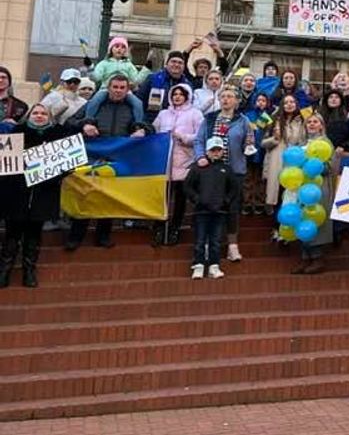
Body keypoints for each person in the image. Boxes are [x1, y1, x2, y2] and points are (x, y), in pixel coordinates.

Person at [66, 74, 148, 250]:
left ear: (127, 90)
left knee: (109, 197)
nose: (118, 91)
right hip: (92, 157)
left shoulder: (132, 109)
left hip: (116, 158)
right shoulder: (94, 105)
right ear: (108, 88)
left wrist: (143, 131)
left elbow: (148, 126)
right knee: (85, 195)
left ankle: (103, 236)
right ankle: (76, 236)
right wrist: (84, 125)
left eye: (122, 88)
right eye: (115, 87)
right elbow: (70, 122)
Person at [0, 105, 76, 288]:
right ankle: (4, 271)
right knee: (12, 233)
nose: (39, 116)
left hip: (44, 193)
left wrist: (51, 176)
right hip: (16, 193)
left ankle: (29, 271)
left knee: (34, 234)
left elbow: (68, 166)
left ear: (49, 117)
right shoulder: (17, 133)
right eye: (36, 113)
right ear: (29, 116)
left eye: (43, 113)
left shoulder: (59, 136)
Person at [195, 86, 253, 263]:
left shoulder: (243, 120)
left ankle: (232, 246)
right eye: (223, 96)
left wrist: (249, 144)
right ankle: (206, 245)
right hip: (212, 172)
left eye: (230, 97)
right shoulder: (210, 119)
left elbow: (248, 143)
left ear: (236, 101)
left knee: (233, 209)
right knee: (209, 208)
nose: (226, 99)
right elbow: (199, 140)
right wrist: (200, 157)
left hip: (235, 171)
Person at [153, 84, 204, 246]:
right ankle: (160, 227)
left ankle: (175, 228)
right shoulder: (163, 114)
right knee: (163, 198)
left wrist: (183, 137)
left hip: (184, 161)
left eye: (181, 94)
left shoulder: (195, 114)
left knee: (180, 198)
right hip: (165, 162)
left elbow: (200, 136)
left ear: (187, 96)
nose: (177, 97)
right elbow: (154, 133)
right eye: (174, 94)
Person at [184, 137, 238, 279]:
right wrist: (197, 200)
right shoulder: (198, 168)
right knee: (200, 240)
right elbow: (187, 186)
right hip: (201, 211)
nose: (216, 153)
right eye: (213, 150)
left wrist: (225, 201)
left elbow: (234, 188)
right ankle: (199, 265)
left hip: (219, 211)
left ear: (222, 152)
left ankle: (214, 265)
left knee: (215, 240)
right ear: (207, 151)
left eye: (218, 150)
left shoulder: (226, 169)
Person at [291, 112, 336, 274]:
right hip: (302, 186)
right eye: (309, 122)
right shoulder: (301, 143)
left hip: (319, 186)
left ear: (321, 125)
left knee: (315, 219)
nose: (311, 124)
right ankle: (305, 258)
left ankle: (317, 258)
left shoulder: (325, 143)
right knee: (302, 219)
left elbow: (330, 166)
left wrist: (314, 166)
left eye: (315, 122)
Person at [263, 94, 306, 215]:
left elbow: (305, 141)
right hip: (277, 162)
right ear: (282, 105)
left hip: (294, 164)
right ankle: (276, 228)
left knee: (291, 196)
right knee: (277, 195)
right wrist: (274, 139)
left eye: (292, 102)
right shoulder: (273, 119)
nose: (289, 104)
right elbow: (263, 143)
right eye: (286, 102)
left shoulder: (302, 121)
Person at [137, 50, 190, 119]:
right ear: (166, 64)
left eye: (180, 63)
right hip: (151, 123)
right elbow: (139, 101)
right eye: (173, 61)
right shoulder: (153, 79)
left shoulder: (187, 85)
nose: (176, 65)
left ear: (183, 66)